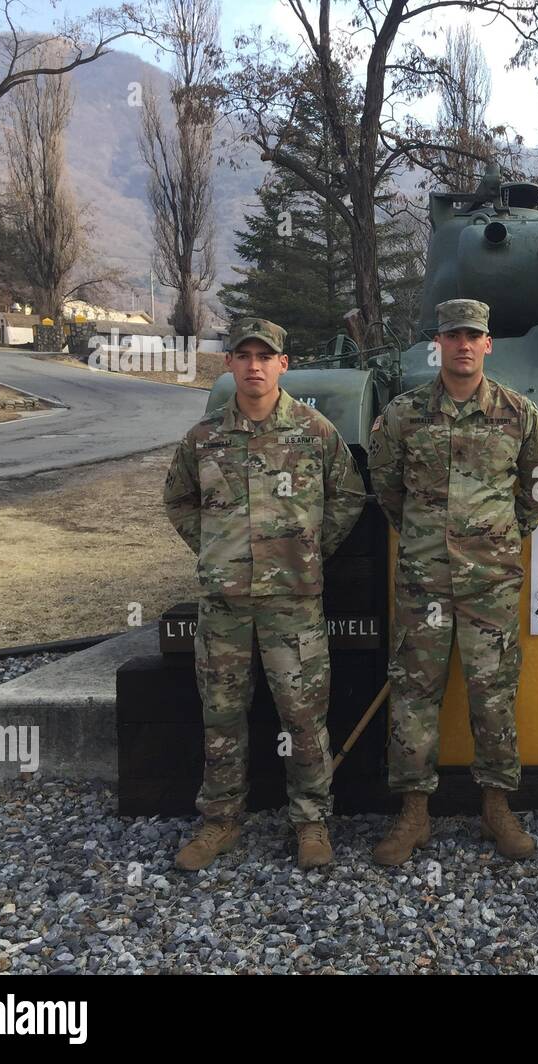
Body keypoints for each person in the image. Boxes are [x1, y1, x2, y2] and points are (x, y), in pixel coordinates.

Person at [164, 317, 366, 871]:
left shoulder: (313, 431)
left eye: (265, 356)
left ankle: (311, 821)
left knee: (303, 716)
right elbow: (178, 500)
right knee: (222, 714)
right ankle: (220, 820)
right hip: (224, 605)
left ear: (283, 364)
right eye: (244, 355)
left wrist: (308, 551)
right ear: (229, 362)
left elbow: (348, 496)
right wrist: (215, 549)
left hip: (292, 603)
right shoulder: (203, 437)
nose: (254, 366)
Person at [368, 299, 538, 865]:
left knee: (493, 696)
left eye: (473, 335)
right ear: (439, 343)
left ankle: (496, 808)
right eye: (453, 335)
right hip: (423, 583)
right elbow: (386, 485)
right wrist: (424, 536)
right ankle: (413, 814)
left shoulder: (518, 412)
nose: (464, 345)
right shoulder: (404, 414)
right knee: (413, 695)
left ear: (488, 344)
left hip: (489, 585)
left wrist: (500, 536)